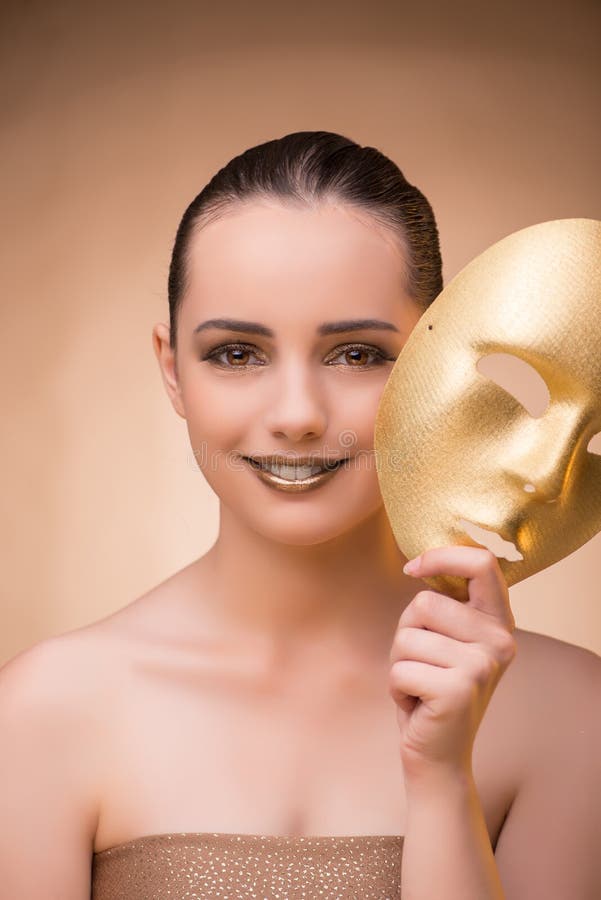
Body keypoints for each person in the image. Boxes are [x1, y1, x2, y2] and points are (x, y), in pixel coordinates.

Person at [1, 131, 599, 899]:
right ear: (171, 369)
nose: (296, 416)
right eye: (236, 354)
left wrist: (443, 785)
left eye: (355, 354)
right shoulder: (48, 711)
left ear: (427, 362)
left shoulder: (570, 715)